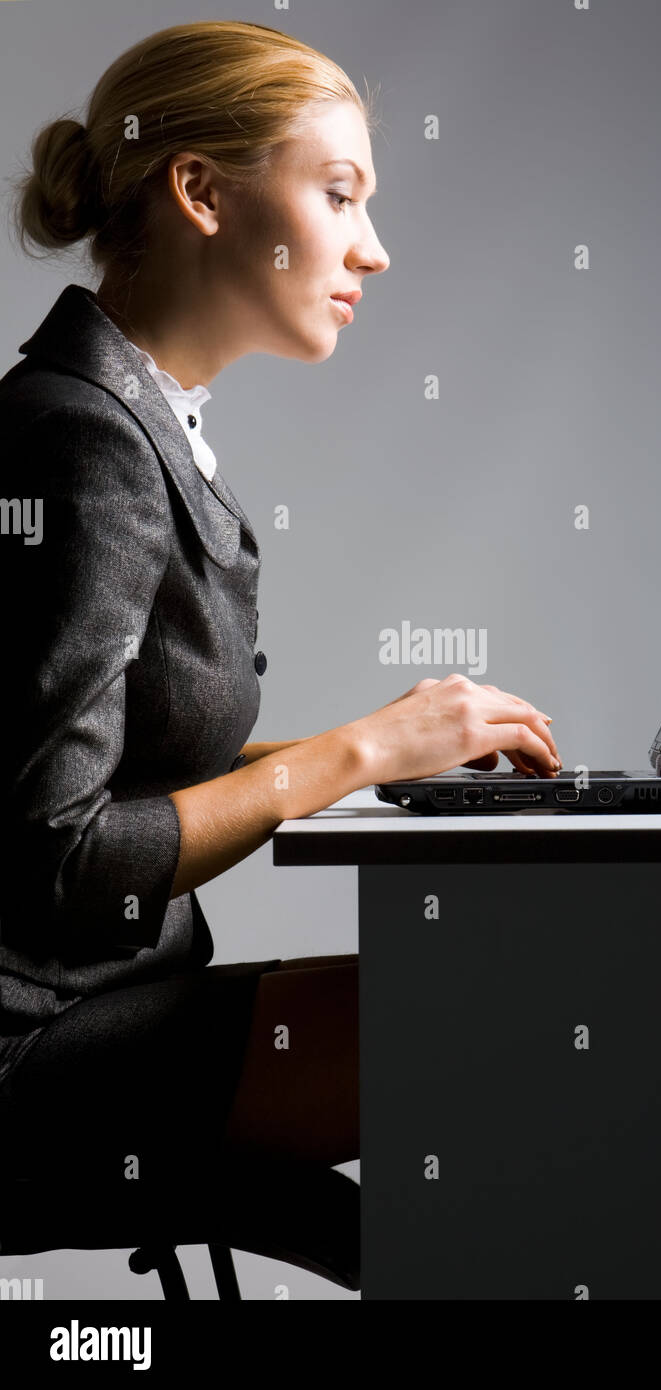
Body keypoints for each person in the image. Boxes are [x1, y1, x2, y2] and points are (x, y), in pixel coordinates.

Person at [0, 20, 561, 1256]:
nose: (373, 246)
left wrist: (389, 755)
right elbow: (55, 859)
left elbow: (123, 779)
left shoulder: (129, 423)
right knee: (528, 1030)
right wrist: (355, 753)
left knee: (522, 1014)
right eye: (339, 193)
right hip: (33, 1058)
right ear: (201, 193)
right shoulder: (82, 439)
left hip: (112, 1009)